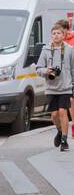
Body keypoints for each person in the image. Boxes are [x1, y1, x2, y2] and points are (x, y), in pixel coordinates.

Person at [36, 21, 74, 151]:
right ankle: (59, 130)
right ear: (51, 36)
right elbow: (38, 69)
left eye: (59, 33)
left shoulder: (69, 50)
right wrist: (46, 71)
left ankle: (64, 140)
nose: (56, 35)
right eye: (54, 33)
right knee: (54, 115)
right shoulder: (46, 50)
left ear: (63, 35)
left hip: (66, 87)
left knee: (63, 112)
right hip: (51, 88)